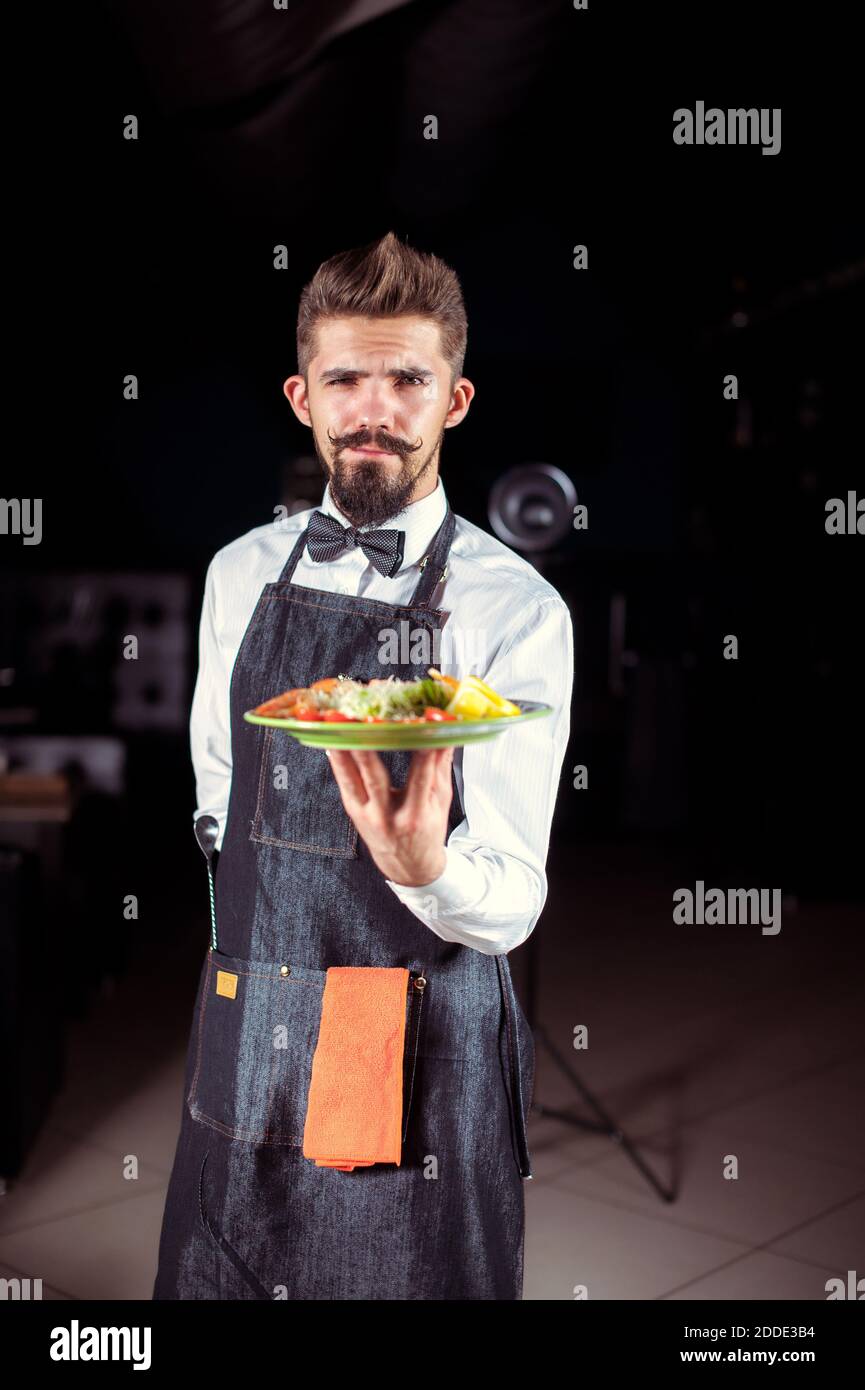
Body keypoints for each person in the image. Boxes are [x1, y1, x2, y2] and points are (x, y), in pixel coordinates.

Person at [153, 230, 573, 1300]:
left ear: (456, 400)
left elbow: (513, 894)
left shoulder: (514, 608)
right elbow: (217, 789)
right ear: (303, 396)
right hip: (256, 1022)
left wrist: (422, 867)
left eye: (407, 379)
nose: (375, 409)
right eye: (347, 378)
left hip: (421, 1043)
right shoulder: (239, 571)